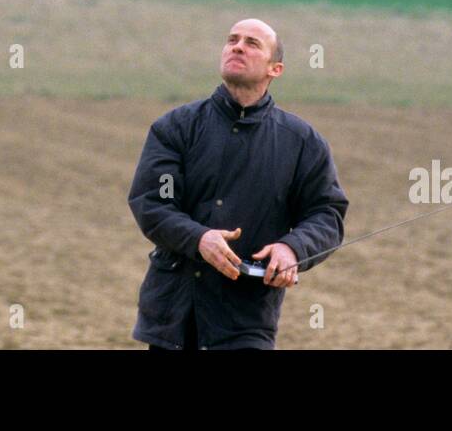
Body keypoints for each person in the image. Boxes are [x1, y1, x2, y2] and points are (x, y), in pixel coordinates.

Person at [127, 18, 349, 349]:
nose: (238, 46)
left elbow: (326, 213)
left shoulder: (302, 142)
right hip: (174, 313)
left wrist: (293, 249)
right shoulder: (175, 128)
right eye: (232, 39)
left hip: (247, 319)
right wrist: (199, 238)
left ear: (276, 69)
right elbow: (153, 204)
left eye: (252, 43)